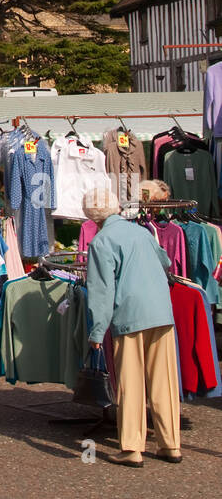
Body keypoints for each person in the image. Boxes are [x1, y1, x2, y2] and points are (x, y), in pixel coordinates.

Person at [84, 186, 181, 467]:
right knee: (164, 380)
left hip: (128, 315)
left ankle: (132, 448)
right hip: (161, 312)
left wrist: (97, 331)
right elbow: (165, 261)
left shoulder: (101, 242)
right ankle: (170, 444)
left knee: (131, 382)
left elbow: (102, 291)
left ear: (91, 216)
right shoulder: (142, 232)